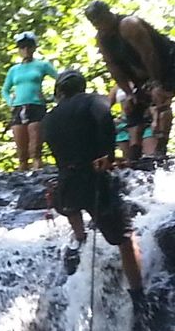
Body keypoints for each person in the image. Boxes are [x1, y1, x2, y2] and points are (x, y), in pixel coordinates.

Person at [45, 70, 143, 296]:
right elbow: (103, 120)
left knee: (70, 204)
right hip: (94, 177)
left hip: (67, 182)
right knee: (125, 239)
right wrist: (107, 154)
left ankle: (78, 240)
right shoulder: (94, 100)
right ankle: (139, 296)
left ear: (59, 92)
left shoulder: (49, 118)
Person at [86, 1, 175, 165]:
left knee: (161, 99)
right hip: (141, 74)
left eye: (99, 20)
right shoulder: (103, 39)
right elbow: (114, 68)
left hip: (170, 62)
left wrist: (156, 83)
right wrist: (129, 93)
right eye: (94, 23)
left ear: (107, 14)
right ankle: (134, 154)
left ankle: (160, 150)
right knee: (133, 106)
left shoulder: (128, 25)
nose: (98, 25)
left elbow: (149, 54)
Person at [0, 32, 57, 172]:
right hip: (18, 107)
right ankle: (22, 171)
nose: (25, 50)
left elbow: (62, 79)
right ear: (19, 50)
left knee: (36, 144)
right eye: (22, 47)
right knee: (21, 147)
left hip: (36, 105)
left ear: (34, 48)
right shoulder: (14, 70)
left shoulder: (42, 65)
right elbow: (5, 90)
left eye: (28, 46)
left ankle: (37, 169)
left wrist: (51, 97)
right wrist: (10, 101)